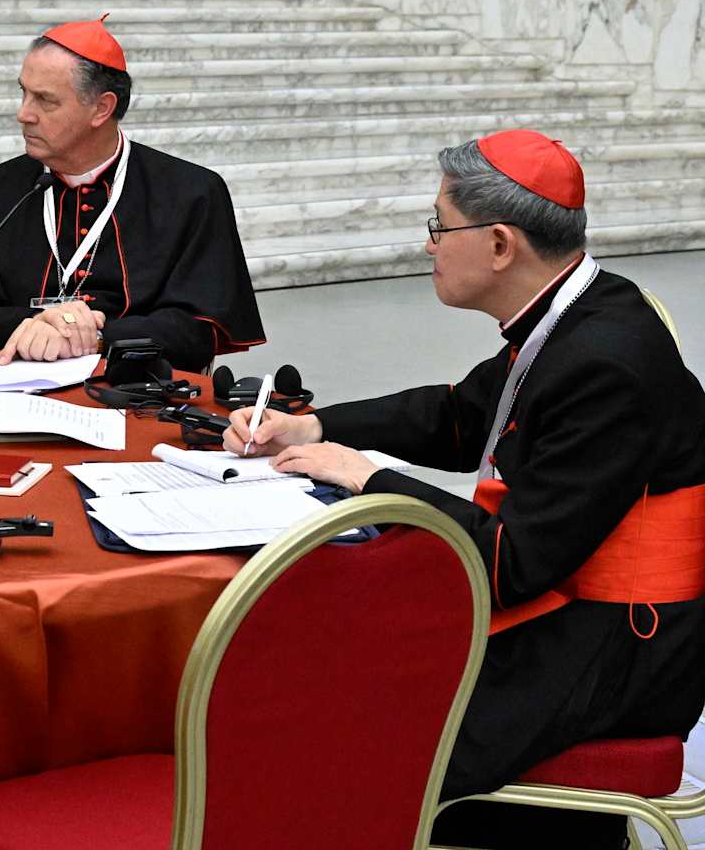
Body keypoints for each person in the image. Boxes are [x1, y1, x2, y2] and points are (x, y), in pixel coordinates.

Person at [226, 130, 705, 850]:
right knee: (326, 652)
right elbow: (458, 413)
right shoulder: (571, 312)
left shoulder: (604, 359)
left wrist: (367, 478)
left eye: (439, 226)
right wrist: (311, 427)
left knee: (343, 716)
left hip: (620, 649)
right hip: (572, 608)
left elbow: (510, 565)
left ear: (501, 244)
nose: (429, 244)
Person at [0, 17, 263, 371]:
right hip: (9, 385)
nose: (23, 114)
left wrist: (99, 336)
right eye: (23, 92)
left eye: (45, 100)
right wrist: (35, 325)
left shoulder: (192, 193)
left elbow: (202, 330)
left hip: (139, 389)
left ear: (102, 108)